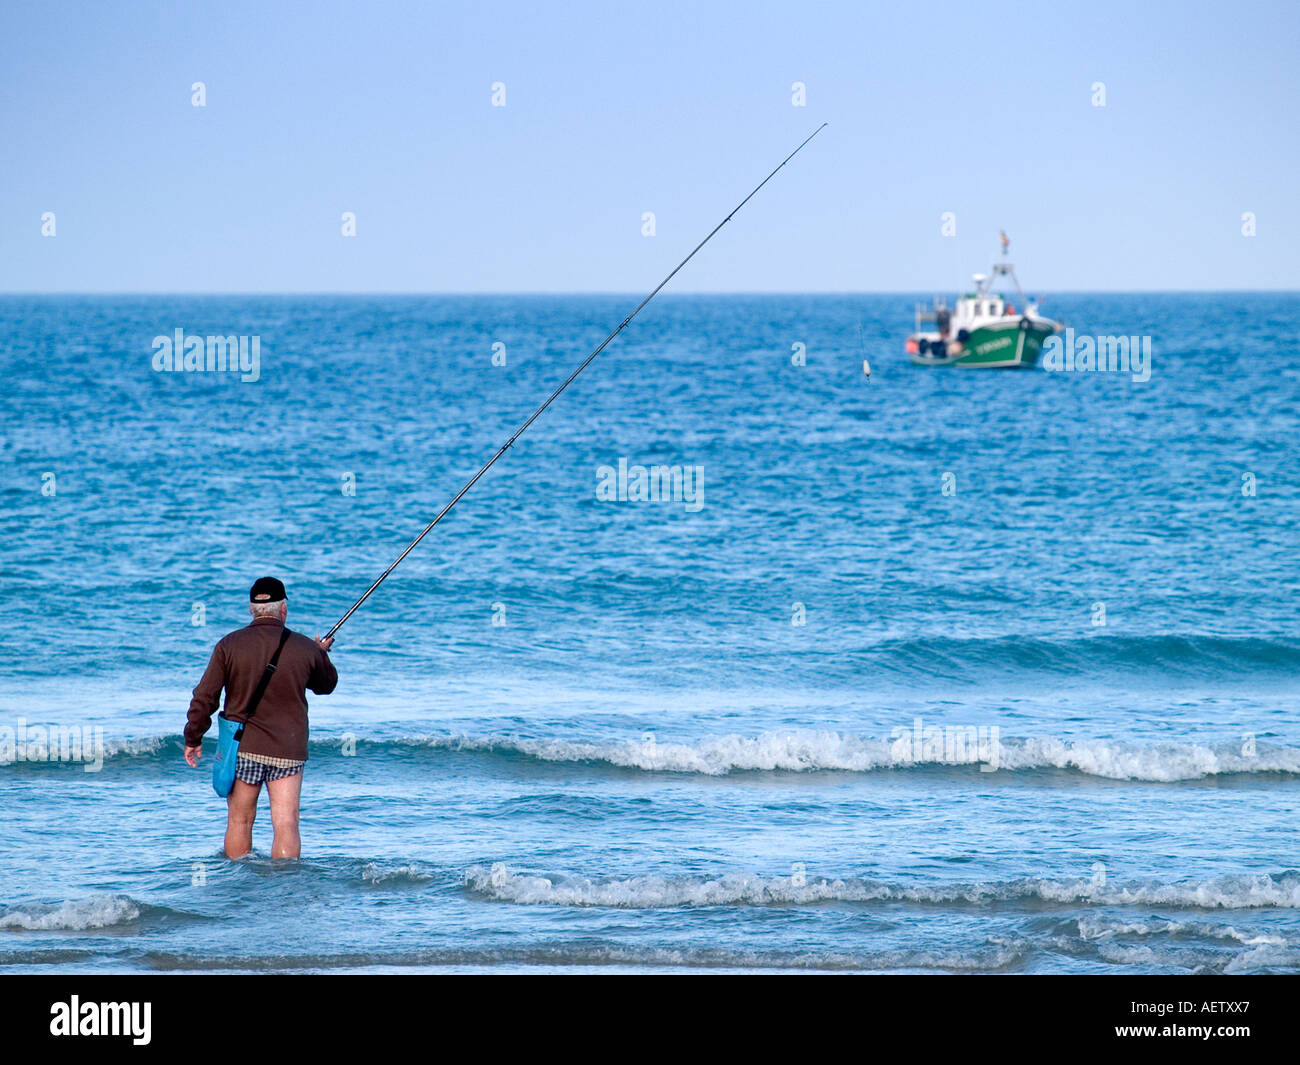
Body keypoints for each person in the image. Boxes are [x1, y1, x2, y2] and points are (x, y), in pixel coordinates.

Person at [183, 577, 337, 859]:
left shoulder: (229, 645)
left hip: (244, 748)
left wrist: (193, 736)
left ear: (251, 609)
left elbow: (205, 696)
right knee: (286, 824)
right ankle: (286, 888)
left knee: (240, 821)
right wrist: (321, 654)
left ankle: (239, 886)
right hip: (288, 749)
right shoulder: (305, 648)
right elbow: (326, 685)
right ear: (283, 610)